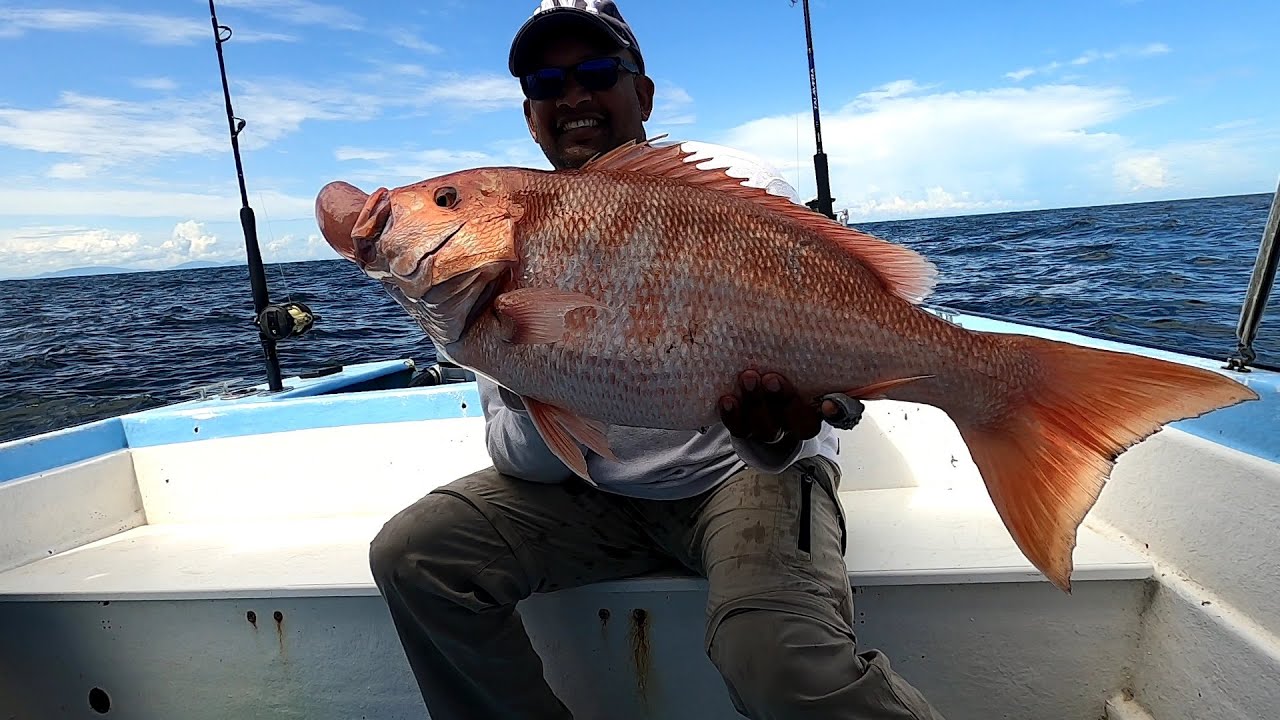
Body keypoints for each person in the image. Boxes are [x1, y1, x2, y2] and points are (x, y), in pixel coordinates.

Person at [369, 1, 945, 718]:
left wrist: (779, 429)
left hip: (743, 476)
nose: (573, 96)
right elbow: (529, 460)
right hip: (597, 498)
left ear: (643, 93)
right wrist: (534, 371)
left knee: (775, 652)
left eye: (598, 71)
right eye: (547, 82)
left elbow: (832, 367)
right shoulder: (487, 256)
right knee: (415, 556)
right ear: (530, 116)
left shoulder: (736, 185)